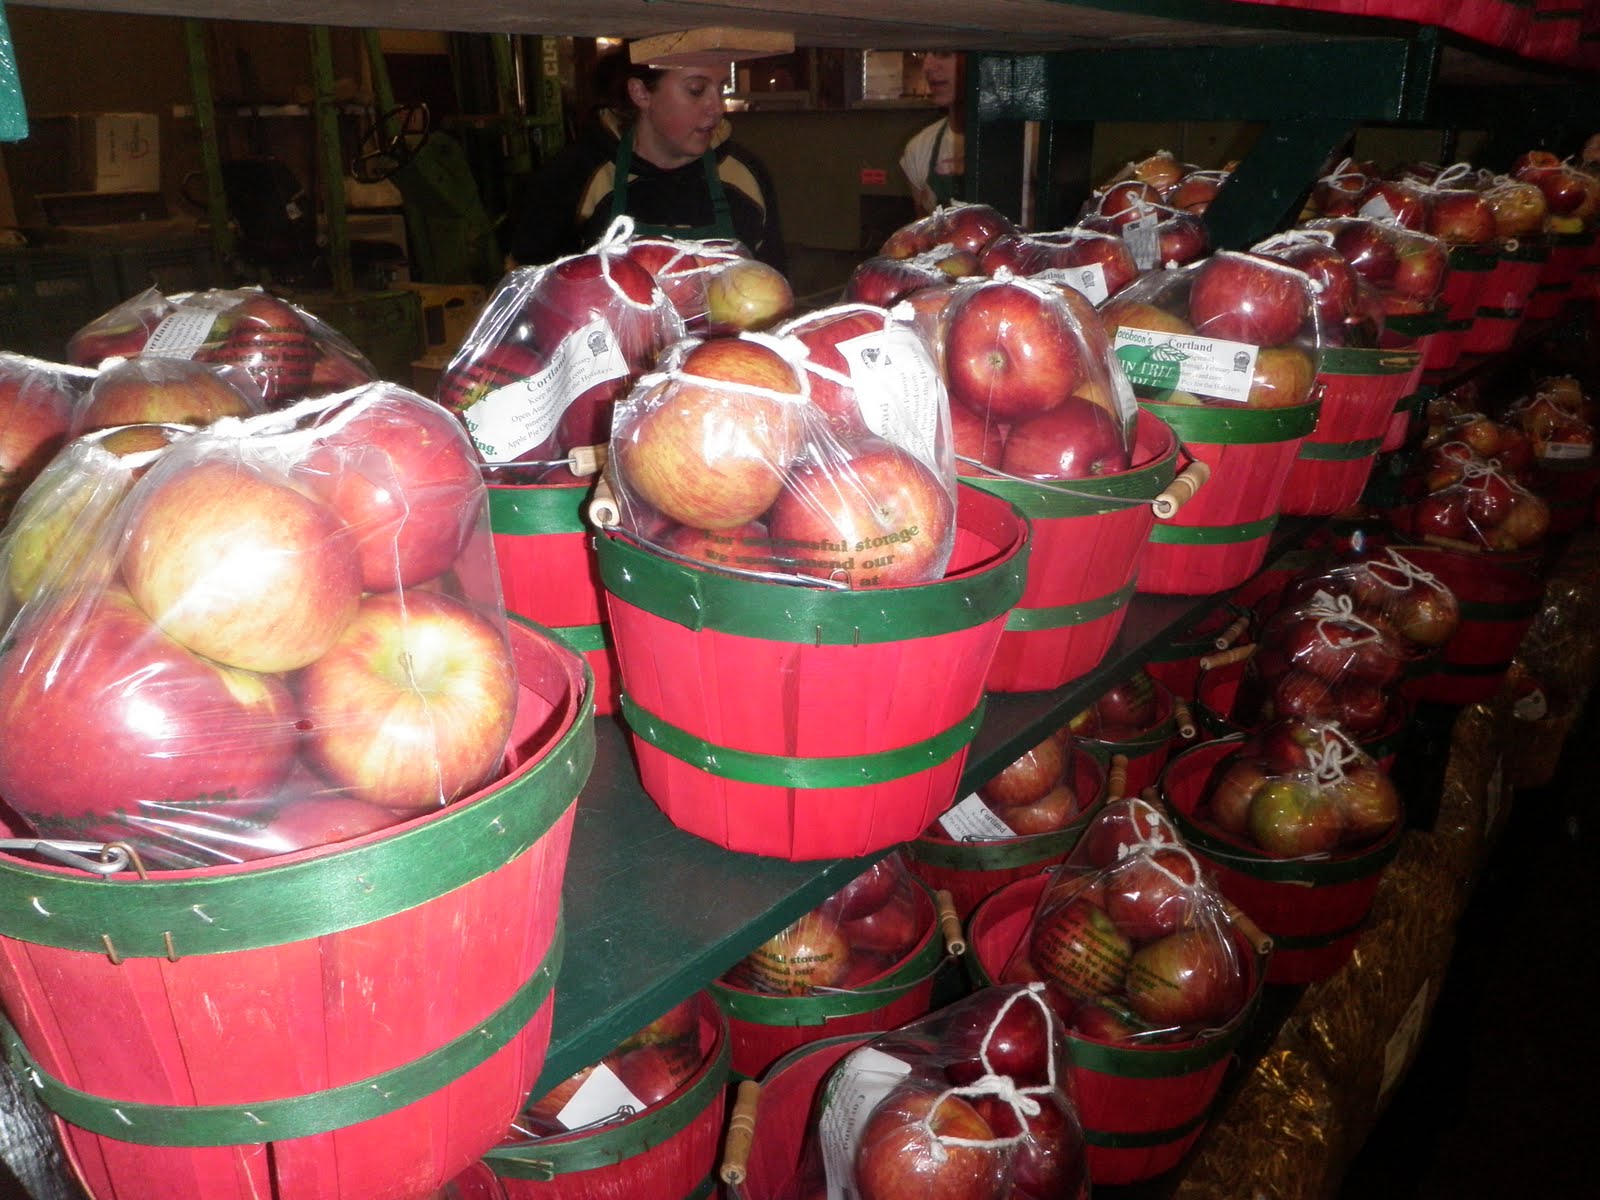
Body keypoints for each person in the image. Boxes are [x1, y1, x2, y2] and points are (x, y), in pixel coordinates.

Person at [510, 48, 785, 270]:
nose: (717, 109)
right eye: (696, 90)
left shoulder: (746, 175)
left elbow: (775, 284)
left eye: (721, 89)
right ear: (641, 93)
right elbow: (533, 296)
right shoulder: (573, 175)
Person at [899, 52, 966, 216]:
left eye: (943, 53)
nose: (927, 66)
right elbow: (922, 237)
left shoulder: (1030, 143)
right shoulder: (918, 149)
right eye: (925, 53)